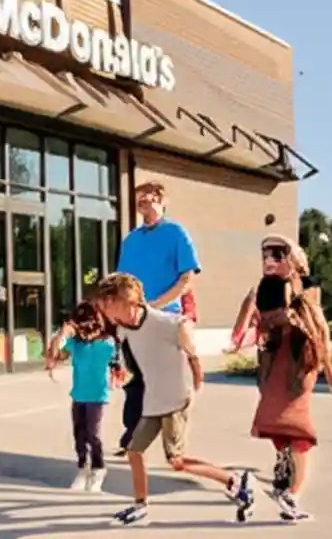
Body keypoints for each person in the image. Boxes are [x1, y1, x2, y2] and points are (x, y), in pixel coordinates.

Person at [93, 273, 256, 526]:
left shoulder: (164, 323)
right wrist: (119, 367)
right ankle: (140, 505)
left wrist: (197, 373)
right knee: (135, 451)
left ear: (128, 302)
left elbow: (185, 334)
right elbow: (128, 353)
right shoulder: (124, 328)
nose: (104, 312)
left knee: (177, 461)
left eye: (108, 305)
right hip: (153, 400)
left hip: (176, 398)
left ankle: (234, 481)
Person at [229, 235, 332, 522]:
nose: (269, 260)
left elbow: (319, 327)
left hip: (299, 361)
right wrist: (239, 337)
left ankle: (292, 490)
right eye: (266, 254)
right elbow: (248, 310)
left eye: (278, 254)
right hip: (273, 361)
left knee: (297, 427)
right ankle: (285, 469)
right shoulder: (264, 287)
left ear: (293, 258)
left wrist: (329, 370)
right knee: (276, 420)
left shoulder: (304, 288)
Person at [112, 181, 201, 457]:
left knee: (168, 385)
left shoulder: (175, 233)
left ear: (162, 201)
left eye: (149, 199)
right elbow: (121, 282)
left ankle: (175, 447)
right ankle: (132, 438)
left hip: (165, 318)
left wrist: (156, 304)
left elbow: (187, 277)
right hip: (134, 321)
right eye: (139, 201)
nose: (143, 204)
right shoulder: (131, 240)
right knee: (136, 382)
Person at [45, 302, 118, 492]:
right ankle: (82, 468)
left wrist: (119, 373)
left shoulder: (107, 343)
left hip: (98, 395)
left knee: (93, 434)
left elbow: (120, 360)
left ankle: (98, 468)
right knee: (79, 434)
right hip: (79, 395)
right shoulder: (75, 344)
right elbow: (54, 355)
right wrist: (62, 334)